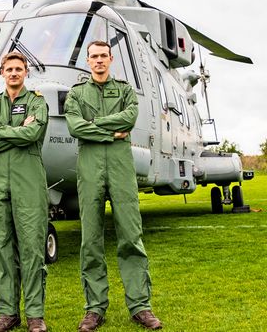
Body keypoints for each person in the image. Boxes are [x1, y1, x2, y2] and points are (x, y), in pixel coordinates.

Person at [65, 41, 163, 331]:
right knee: (91, 241)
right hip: (90, 170)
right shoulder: (76, 93)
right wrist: (111, 134)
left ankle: (140, 306)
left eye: (102, 56)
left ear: (111, 59)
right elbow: (74, 126)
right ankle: (94, 308)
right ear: (88, 60)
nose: (98, 61)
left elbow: (129, 118)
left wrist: (94, 123)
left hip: (121, 170)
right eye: (93, 57)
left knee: (131, 237)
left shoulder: (125, 91)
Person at [0, 51, 50, 332]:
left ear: (26, 72)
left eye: (19, 69)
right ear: (2, 73)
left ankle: (35, 315)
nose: (14, 73)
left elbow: (33, 135)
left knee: (31, 248)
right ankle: (7, 313)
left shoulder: (37, 101)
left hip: (28, 182)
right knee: (1, 247)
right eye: (9, 69)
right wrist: (13, 132)